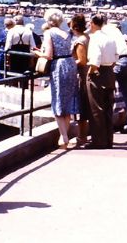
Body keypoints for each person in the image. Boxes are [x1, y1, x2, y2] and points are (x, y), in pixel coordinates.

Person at [36, 8, 77, 149]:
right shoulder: (67, 33)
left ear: (48, 20)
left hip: (58, 66)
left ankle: (64, 136)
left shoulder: (49, 33)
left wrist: (37, 54)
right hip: (70, 64)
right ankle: (64, 134)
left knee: (58, 97)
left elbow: (48, 54)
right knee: (68, 98)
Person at [86, 13, 118, 149]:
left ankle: (98, 140)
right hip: (110, 71)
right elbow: (116, 56)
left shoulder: (94, 39)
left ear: (93, 23)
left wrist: (89, 73)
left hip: (98, 74)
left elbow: (95, 61)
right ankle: (108, 139)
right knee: (108, 108)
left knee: (96, 108)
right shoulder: (110, 38)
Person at [69, 14, 90, 144]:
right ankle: (83, 135)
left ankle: (82, 136)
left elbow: (82, 61)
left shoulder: (80, 41)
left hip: (82, 76)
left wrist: (69, 63)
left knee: (82, 106)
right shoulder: (87, 37)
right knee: (84, 106)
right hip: (86, 74)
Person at [5, 15, 35, 86]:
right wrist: (32, 59)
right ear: (23, 22)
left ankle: (15, 90)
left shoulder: (11, 31)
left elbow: (7, 46)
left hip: (14, 54)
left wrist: (7, 57)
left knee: (14, 74)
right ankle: (24, 90)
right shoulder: (28, 31)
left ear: (14, 22)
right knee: (25, 74)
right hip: (25, 54)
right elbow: (33, 46)